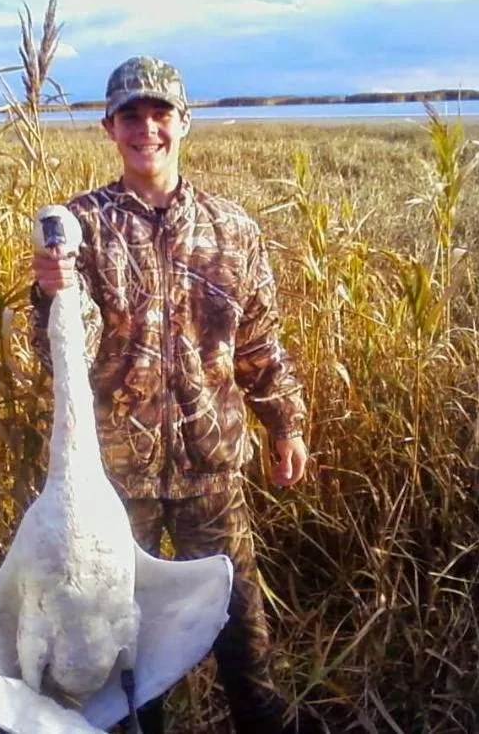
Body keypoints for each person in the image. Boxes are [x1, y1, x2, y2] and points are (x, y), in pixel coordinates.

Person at [30, 56, 324, 734]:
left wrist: (286, 423)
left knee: (243, 641)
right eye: (130, 115)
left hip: (211, 472)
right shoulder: (81, 228)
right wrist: (51, 294)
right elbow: (61, 356)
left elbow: (259, 342)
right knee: (126, 657)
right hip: (113, 484)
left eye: (160, 113)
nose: (146, 128)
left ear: (184, 122)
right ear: (109, 128)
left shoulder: (232, 229)